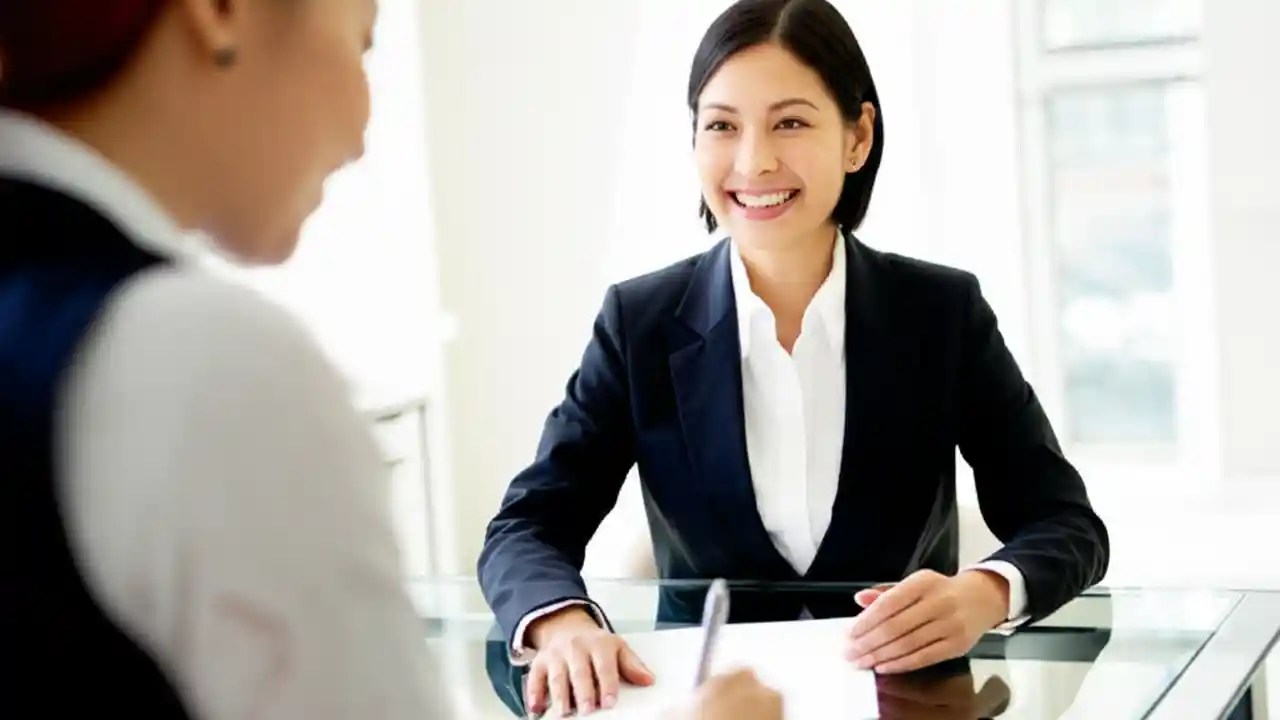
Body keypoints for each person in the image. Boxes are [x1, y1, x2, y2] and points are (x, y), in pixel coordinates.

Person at [0, 2, 782, 718]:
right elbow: (530, 522)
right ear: (221, 11)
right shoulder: (207, 363)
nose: (361, 131)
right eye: (360, 42)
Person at [477, 0, 1110, 714]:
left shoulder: (941, 313)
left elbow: (1066, 523)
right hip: (711, 703)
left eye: (791, 122)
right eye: (721, 125)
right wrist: (560, 621)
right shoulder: (640, 323)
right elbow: (527, 527)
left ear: (857, 136)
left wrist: (984, 593)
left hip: (909, 702)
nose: (754, 161)